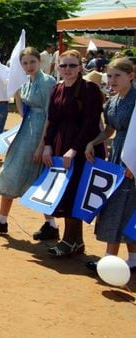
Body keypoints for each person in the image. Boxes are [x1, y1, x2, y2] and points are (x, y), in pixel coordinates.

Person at [0, 48, 58, 237]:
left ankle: (50, 224)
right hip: (25, 131)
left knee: (36, 177)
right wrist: (16, 92)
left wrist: (42, 145)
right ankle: (3, 219)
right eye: (25, 63)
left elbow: (50, 115)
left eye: (32, 61)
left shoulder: (47, 82)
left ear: (40, 61)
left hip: (38, 133)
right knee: (13, 171)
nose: (29, 66)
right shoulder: (27, 82)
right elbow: (22, 111)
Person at [42, 49, 105, 256]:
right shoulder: (56, 89)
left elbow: (90, 122)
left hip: (82, 148)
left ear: (80, 67)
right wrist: (48, 145)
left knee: (75, 192)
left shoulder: (89, 89)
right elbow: (52, 120)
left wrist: (74, 149)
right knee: (64, 190)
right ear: (58, 67)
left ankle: (69, 241)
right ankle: (76, 241)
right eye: (63, 65)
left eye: (72, 65)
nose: (67, 69)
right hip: (60, 144)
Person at [85, 57, 136, 271]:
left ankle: (111, 259)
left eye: (117, 76)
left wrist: (133, 163)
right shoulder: (112, 102)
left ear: (131, 76)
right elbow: (109, 131)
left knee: (124, 208)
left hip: (131, 158)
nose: (112, 80)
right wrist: (93, 143)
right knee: (120, 206)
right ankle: (129, 258)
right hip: (116, 159)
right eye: (109, 75)